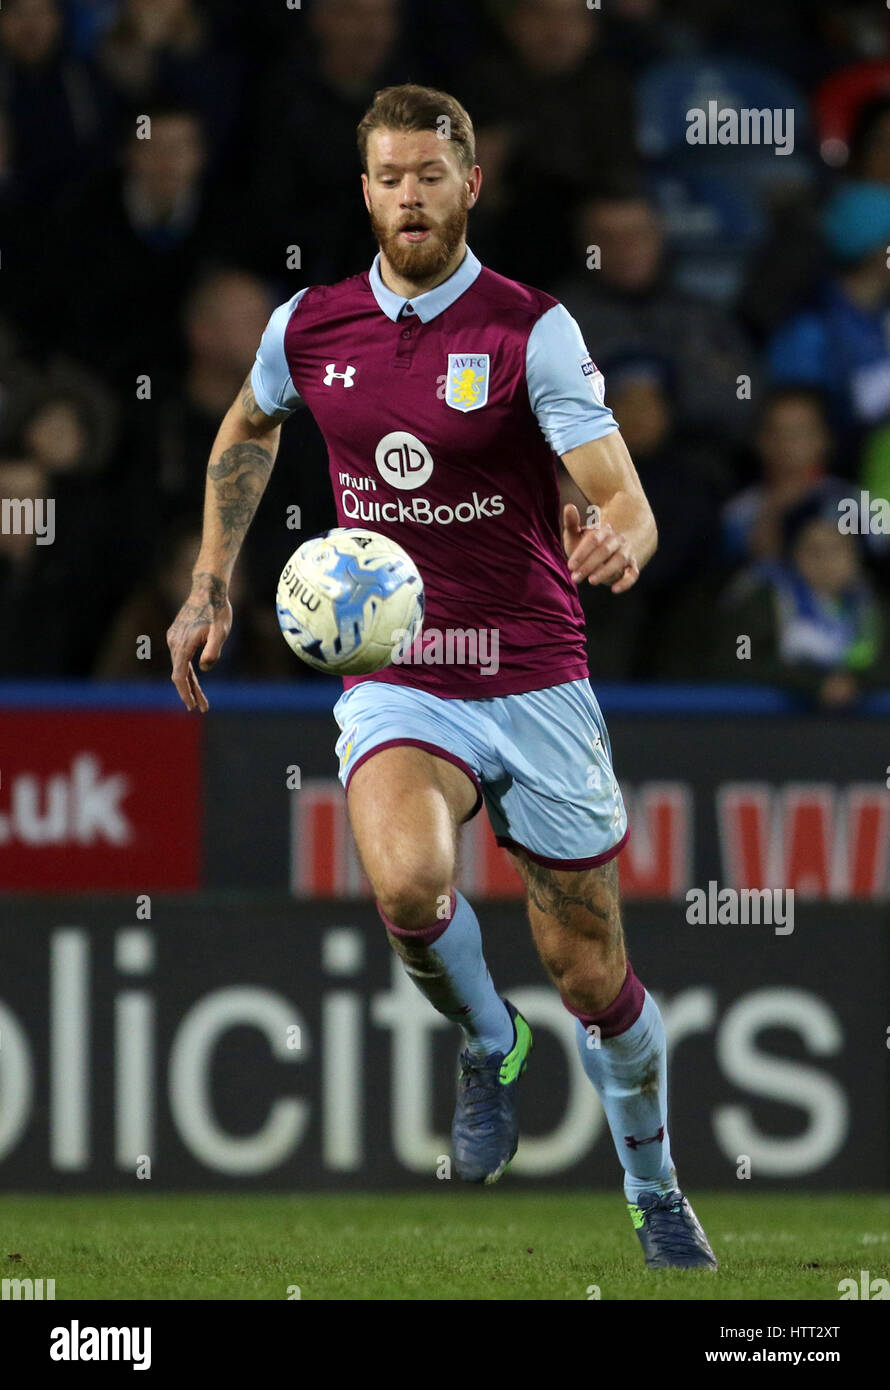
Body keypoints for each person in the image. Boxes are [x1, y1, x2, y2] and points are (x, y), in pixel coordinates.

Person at [166, 83, 716, 1271]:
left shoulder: (531, 329)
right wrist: (212, 580)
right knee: (410, 887)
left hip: (531, 669)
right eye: (386, 178)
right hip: (399, 670)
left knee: (591, 971)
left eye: (429, 175)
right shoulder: (309, 326)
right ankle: (485, 1041)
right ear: (362, 192)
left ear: (471, 183)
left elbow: (616, 485)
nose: (407, 198)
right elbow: (249, 428)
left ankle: (652, 1187)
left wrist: (625, 528)